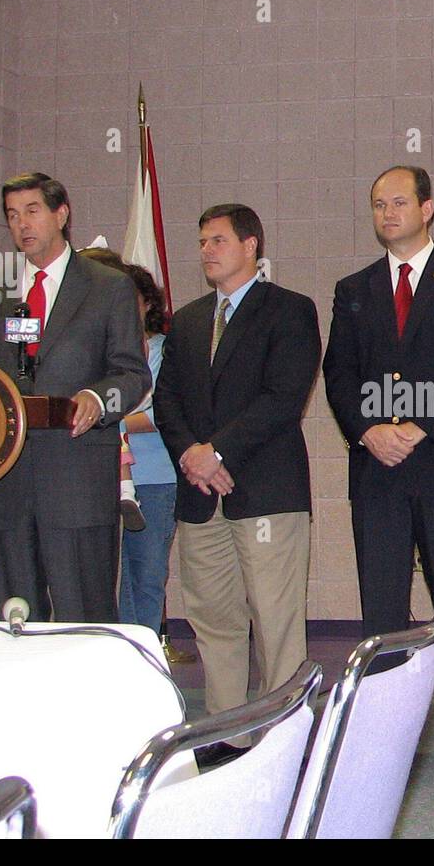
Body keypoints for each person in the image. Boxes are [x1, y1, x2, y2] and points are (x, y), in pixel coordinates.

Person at [323, 165, 434, 769]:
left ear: (428, 208)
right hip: (377, 467)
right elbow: (338, 375)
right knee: (381, 605)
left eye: (398, 202)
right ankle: (381, 726)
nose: (387, 213)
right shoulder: (353, 289)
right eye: (377, 204)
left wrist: (418, 428)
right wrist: (370, 431)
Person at [154, 204, 320, 771]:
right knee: (214, 619)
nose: (207, 250)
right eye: (201, 241)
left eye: (218, 240)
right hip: (200, 497)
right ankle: (227, 733)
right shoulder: (188, 319)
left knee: (275, 622)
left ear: (251, 245)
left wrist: (216, 451)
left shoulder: (291, 311)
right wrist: (190, 456)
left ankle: (282, 734)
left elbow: (282, 397)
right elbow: (166, 399)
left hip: (266, 491)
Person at [0, 173, 150, 622]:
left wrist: (98, 399)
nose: (21, 224)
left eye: (32, 211)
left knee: (84, 616)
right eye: (11, 215)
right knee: (15, 616)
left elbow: (132, 373)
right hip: (5, 481)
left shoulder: (107, 287)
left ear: (61, 215)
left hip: (76, 478)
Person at [77, 247, 177, 637]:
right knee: (97, 577)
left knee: (144, 578)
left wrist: (101, 419)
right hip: (95, 474)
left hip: (153, 478)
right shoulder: (93, 353)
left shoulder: (164, 350)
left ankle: (141, 658)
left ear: (146, 302)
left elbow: (158, 417)